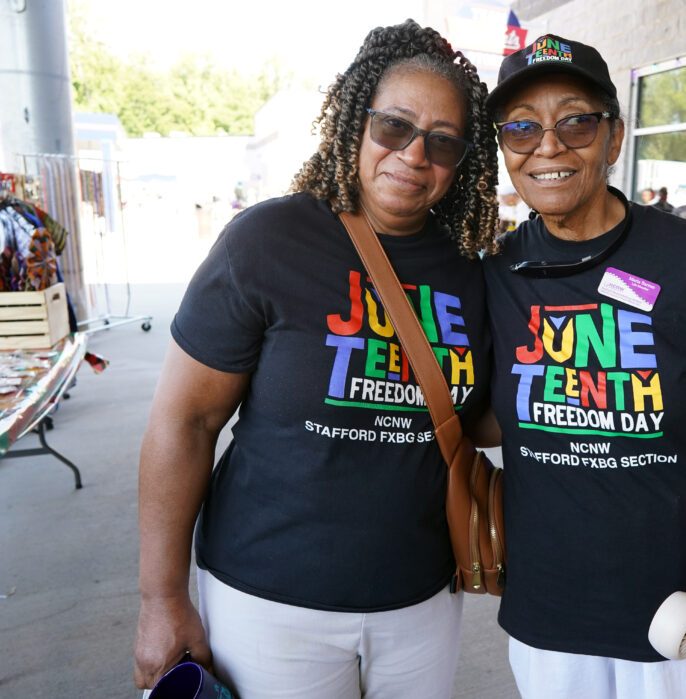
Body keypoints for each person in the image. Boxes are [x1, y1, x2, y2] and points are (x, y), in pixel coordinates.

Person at [132, 21, 499, 698]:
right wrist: (162, 598)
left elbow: (476, 418)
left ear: (462, 161)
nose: (414, 154)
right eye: (394, 126)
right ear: (357, 122)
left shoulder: (472, 272)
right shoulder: (268, 241)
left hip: (422, 598)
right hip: (269, 601)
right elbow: (186, 422)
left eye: (443, 141)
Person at [482, 33, 686, 698]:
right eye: (522, 128)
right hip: (549, 611)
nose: (548, 146)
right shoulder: (493, 272)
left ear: (614, 137)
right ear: (504, 148)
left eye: (575, 122)